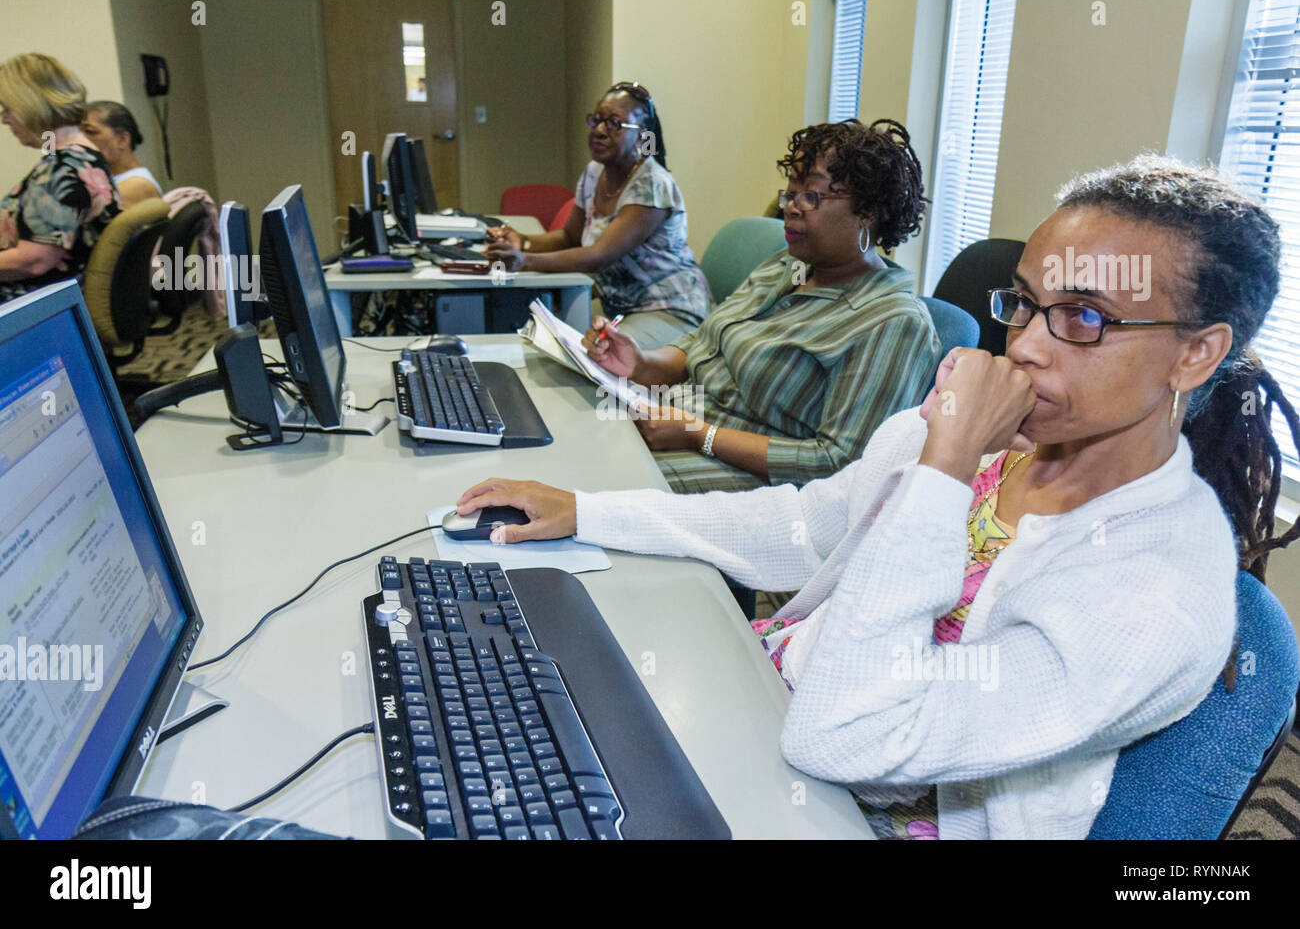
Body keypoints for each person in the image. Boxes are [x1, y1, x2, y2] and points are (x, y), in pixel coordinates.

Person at [452, 155, 1300, 839]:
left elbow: (849, 737)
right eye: (1027, 304)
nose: (1029, 347)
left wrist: (944, 468)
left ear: (1196, 355)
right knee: (496, 710)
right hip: (764, 710)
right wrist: (593, 511)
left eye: (1085, 319)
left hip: (848, 802)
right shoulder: (990, 451)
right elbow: (801, 525)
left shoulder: (1160, 595)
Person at [582, 119, 940, 493]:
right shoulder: (791, 265)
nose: (791, 208)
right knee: (562, 439)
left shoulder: (893, 323)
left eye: (811, 196)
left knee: (588, 486)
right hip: (674, 421)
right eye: (791, 192)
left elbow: (841, 466)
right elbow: (702, 345)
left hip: (757, 483)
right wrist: (640, 363)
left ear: (868, 211)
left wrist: (700, 435)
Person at [485, 81, 711, 350]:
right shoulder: (594, 172)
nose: (600, 131)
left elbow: (599, 255)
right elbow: (570, 237)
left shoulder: (652, 184)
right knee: (541, 337)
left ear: (641, 136)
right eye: (597, 120)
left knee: (602, 357)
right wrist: (522, 240)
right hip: (618, 306)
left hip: (669, 310)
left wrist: (525, 261)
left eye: (615, 123)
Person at [0, 53, 120, 304]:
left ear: (31, 104)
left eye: (8, 108)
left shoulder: (61, 170)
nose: (4, 118)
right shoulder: (84, 156)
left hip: (37, 305)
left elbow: (35, 261)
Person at [81, 100, 164, 207]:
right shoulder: (108, 179)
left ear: (122, 140)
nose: (80, 140)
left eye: (91, 132)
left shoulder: (136, 185)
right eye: (78, 133)